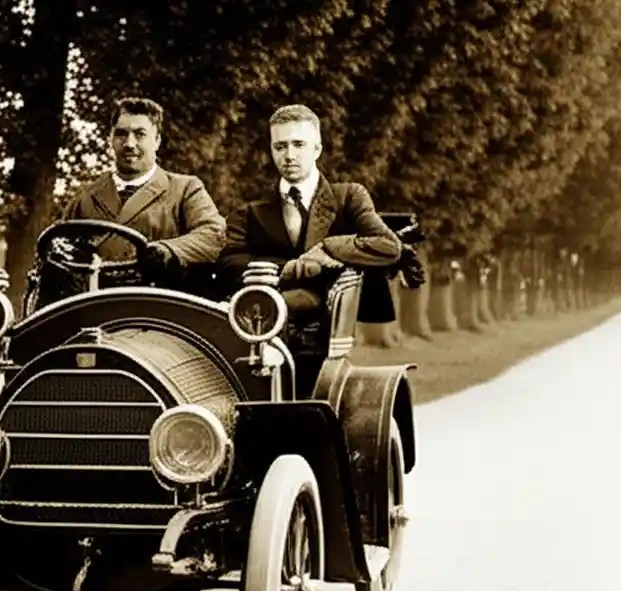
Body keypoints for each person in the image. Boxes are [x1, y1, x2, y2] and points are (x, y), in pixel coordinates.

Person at [218, 103, 426, 390]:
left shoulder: (349, 197)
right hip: (263, 321)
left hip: (325, 324)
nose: (289, 155)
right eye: (280, 146)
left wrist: (328, 248)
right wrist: (289, 269)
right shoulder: (250, 212)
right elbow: (230, 261)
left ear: (317, 149)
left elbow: (388, 246)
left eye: (298, 145)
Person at [36, 97, 226, 304]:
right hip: (96, 307)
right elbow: (59, 246)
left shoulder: (184, 189)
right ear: (110, 139)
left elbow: (213, 234)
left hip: (161, 308)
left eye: (140, 134)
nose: (129, 144)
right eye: (121, 134)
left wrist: (167, 251)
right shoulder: (85, 198)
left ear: (157, 141)